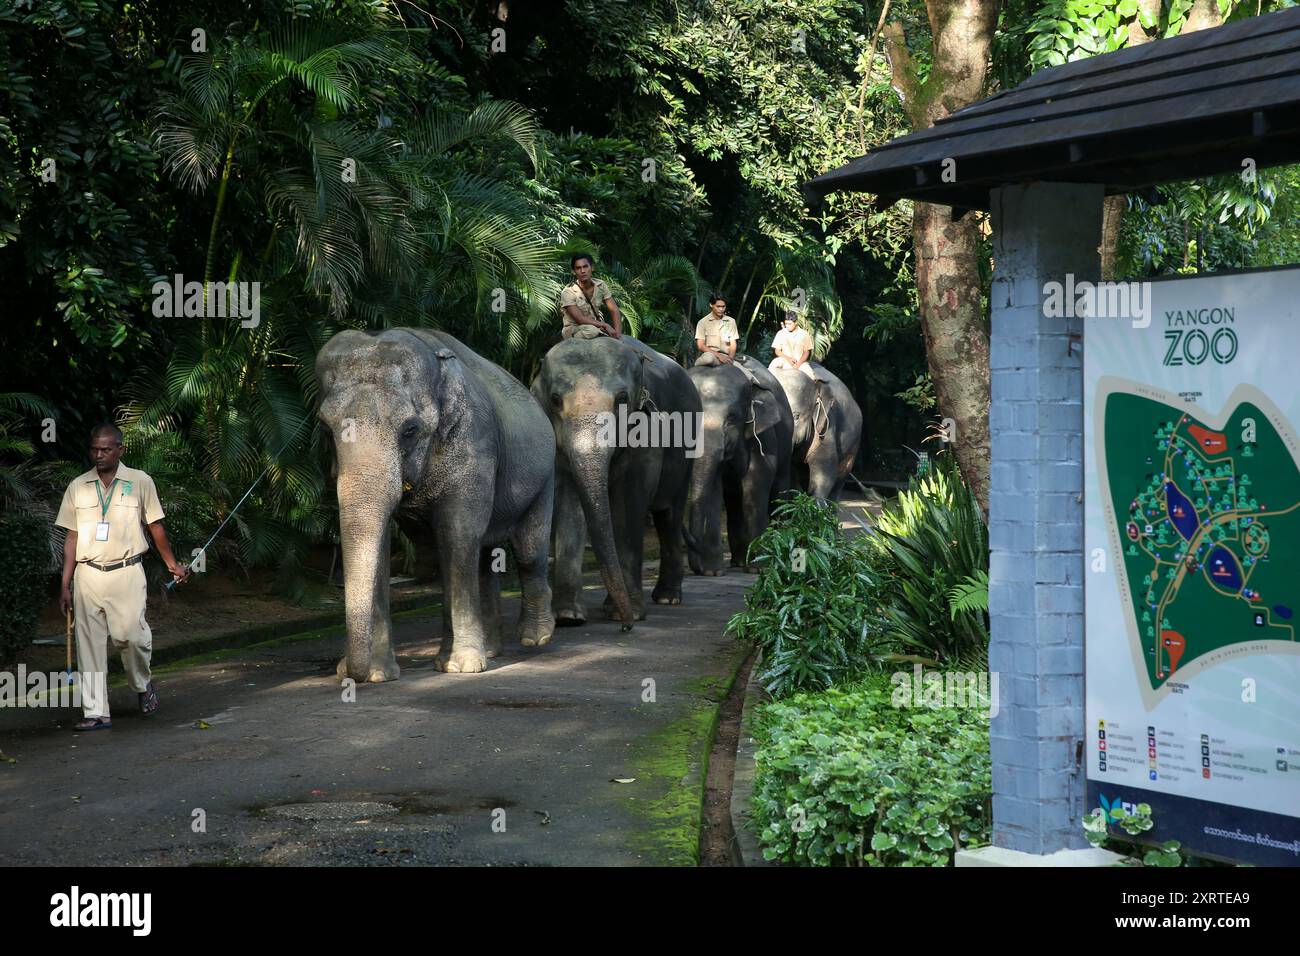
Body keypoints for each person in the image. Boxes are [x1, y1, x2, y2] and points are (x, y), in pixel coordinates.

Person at [55, 424, 190, 731]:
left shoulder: (140, 481)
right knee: (88, 645)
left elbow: (155, 527)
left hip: (127, 571)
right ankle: (96, 712)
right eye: (94, 449)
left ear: (120, 449)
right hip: (87, 574)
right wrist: (65, 583)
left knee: (131, 637)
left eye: (105, 449)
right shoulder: (78, 486)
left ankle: (142, 685)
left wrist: (172, 565)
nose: (98, 455)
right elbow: (71, 538)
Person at [559, 252, 622, 339]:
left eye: (585, 266)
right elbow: (580, 319)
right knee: (592, 331)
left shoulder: (601, 285)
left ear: (592, 268)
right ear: (573, 272)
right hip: (575, 329)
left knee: (596, 330)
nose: (582, 271)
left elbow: (614, 309)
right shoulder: (568, 292)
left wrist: (618, 334)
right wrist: (605, 325)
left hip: (595, 326)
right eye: (578, 268)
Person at [694, 293, 739, 366]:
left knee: (747, 375)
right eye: (718, 306)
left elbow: (733, 343)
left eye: (723, 306)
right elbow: (701, 345)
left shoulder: (731, 321)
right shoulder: (702, 322)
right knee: (708, 359)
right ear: (711, 305)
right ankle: (697, 365)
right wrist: (718, 355)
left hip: (726, 356)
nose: (721, 309)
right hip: (710, 354)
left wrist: (730, 358)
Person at [769, 311, 816, 379]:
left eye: (789, 324)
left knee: (812, 376)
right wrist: (788, 358)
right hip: (784, 360)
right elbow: (777, 350)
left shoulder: (804, 334)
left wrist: (799, 364)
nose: (787, 326)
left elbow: (806, 352)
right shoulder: (780, 333)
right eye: (786, 324)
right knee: (772, 367)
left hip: (800, 362)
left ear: (796, 322)